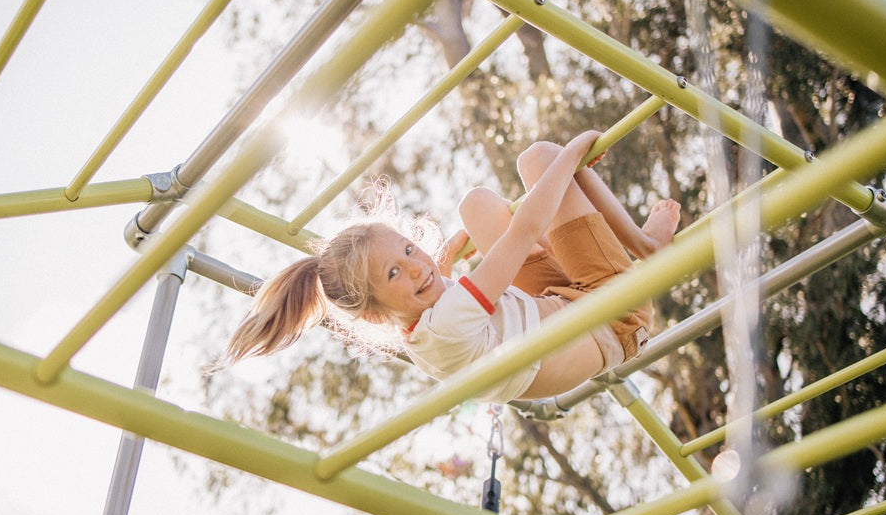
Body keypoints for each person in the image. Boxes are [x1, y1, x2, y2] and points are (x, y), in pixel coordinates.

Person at [224, 130, 680, 403]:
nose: (415, 267)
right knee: (539, 158)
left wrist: (443, 259)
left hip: (563, 307)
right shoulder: (451, 320)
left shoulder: (423, 334)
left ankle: (598, 239)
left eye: (406, 250)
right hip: (615, 314)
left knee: (476, 206)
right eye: (393, 274)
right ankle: (644, 242)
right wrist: (571, 155)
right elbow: (523, 231)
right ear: (373, 315)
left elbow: (434, 291)